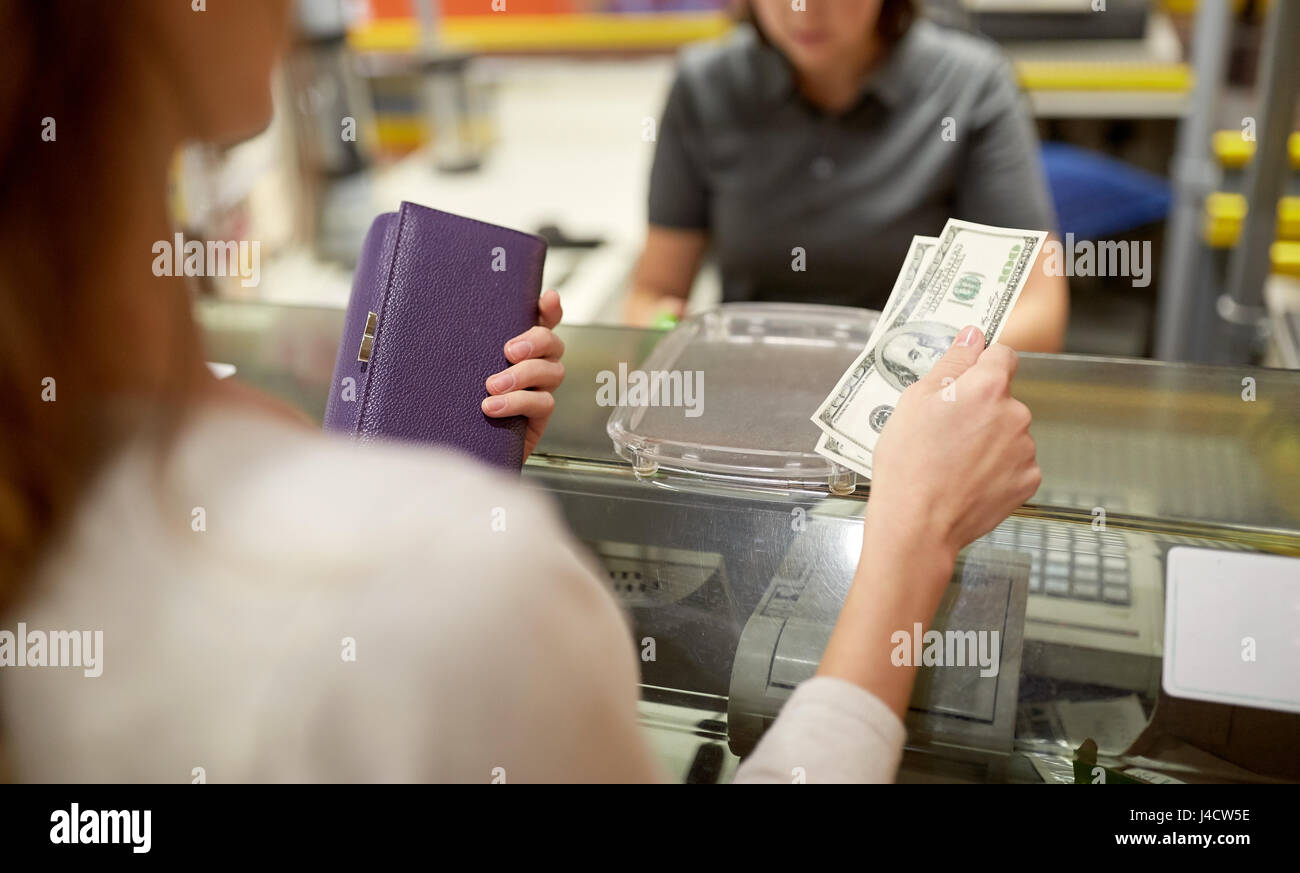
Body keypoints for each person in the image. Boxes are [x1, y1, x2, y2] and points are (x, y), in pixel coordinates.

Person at [0, 1, 1039, 782]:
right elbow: (658, 292)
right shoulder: (444, 587)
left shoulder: (104, 463)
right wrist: (913, 538)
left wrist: (413, 476)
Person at [626, 0, 1069, 353]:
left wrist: (930, 370)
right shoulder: (703, 85)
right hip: (750, 389)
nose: (804, 9)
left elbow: (1038, 310)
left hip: (916, 393)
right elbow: (653, 293)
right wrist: (668, 334)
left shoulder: (970, 82)